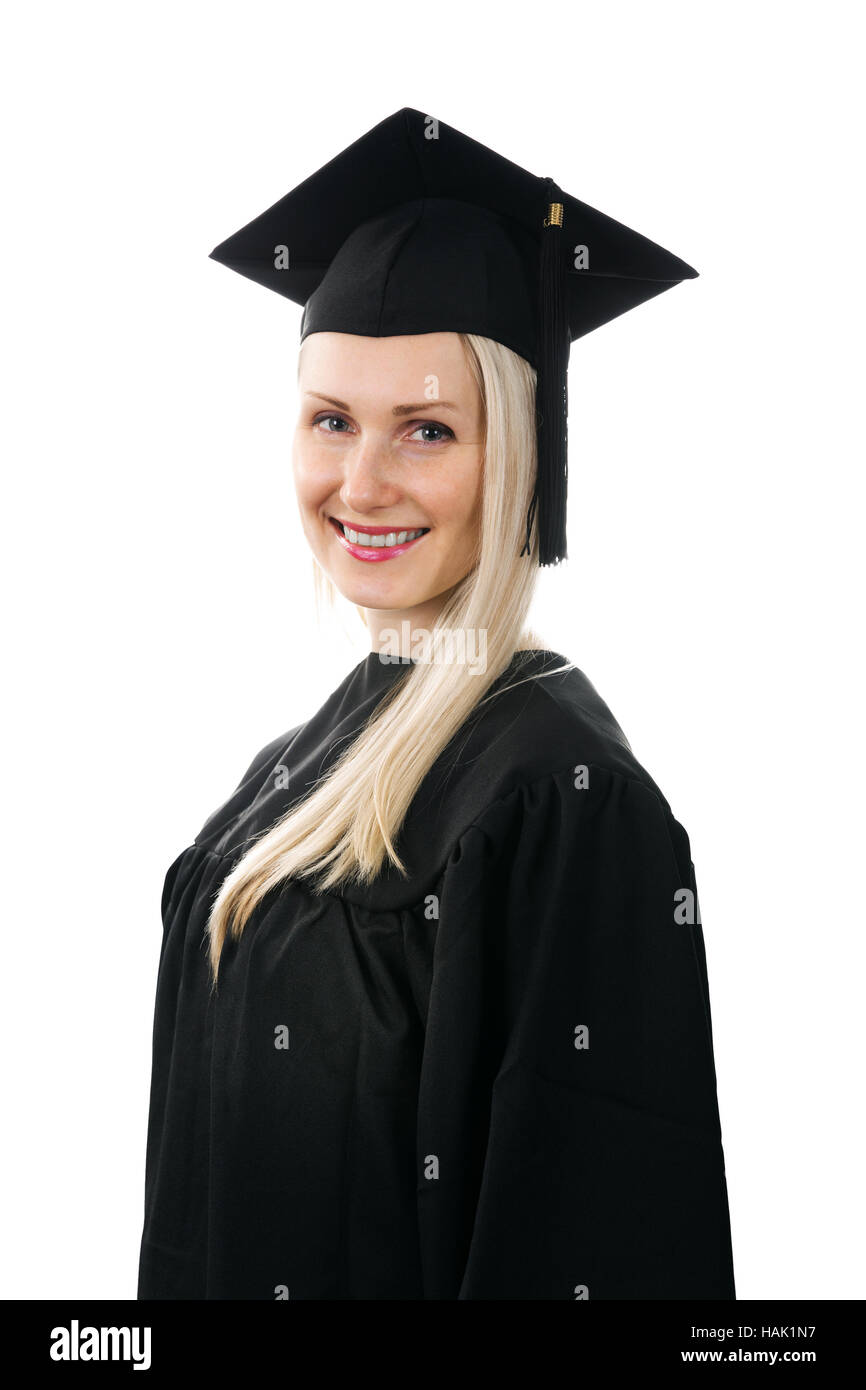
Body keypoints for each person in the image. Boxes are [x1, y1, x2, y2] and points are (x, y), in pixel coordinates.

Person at [137, 107, 735, 1300]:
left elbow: (594, 1236)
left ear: (514, 455)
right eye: (329, 421)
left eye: (425, 429)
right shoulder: (295, 763)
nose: (360, 484)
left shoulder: (562, 800)